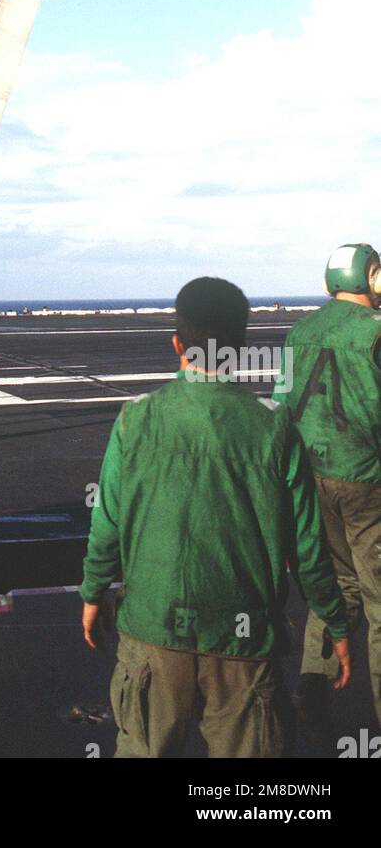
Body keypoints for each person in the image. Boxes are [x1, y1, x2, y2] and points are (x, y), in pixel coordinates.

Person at [81, 275, 349, 759]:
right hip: (243, 645)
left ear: (177, 343)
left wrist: (92, 592)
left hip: (152, 630)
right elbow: (308, 547)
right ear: (240, 348)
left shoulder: (134, 418)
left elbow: (108, 523)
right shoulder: (274, 427)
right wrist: (336, 621)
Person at [273, 243, 381, 740]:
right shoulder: (377, 332)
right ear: (372, 279)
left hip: (313, 479)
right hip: (368, 482)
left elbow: (279, 408)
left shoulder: (300, 331)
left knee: (334, 588)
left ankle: (311, 691)